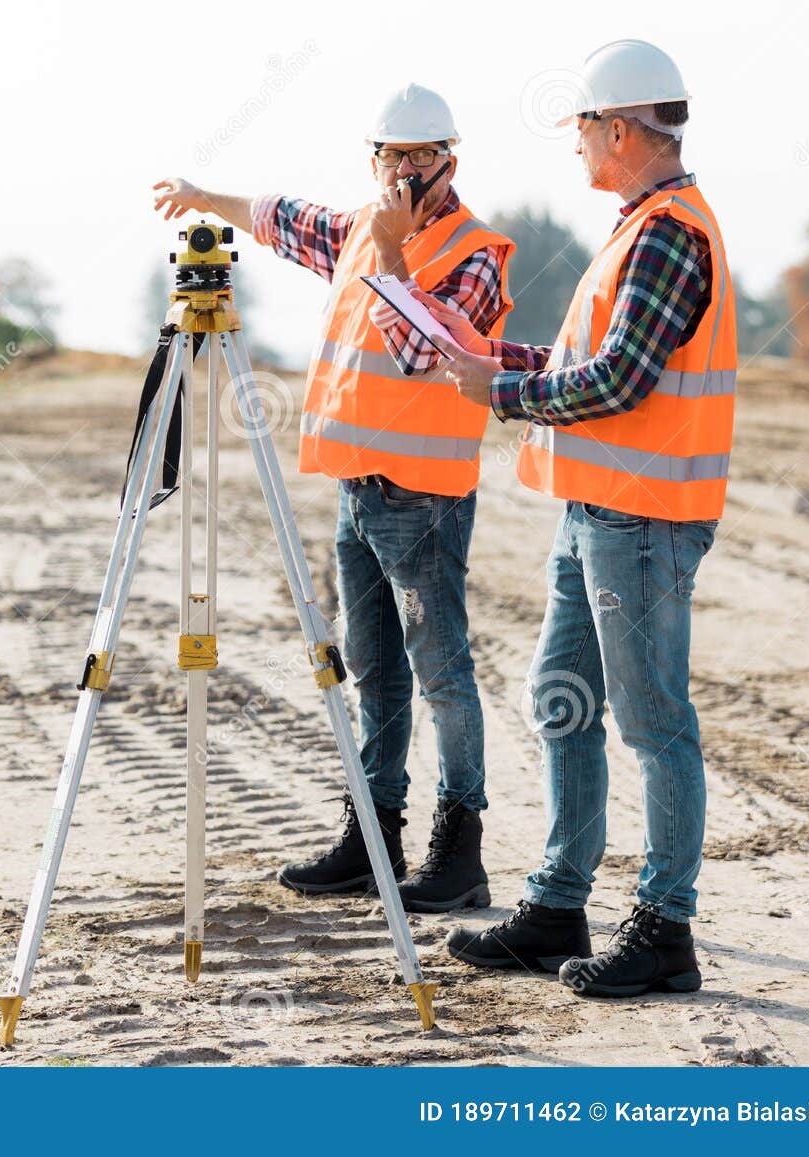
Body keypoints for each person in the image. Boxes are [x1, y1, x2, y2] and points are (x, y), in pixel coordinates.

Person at [152, 84, 515, 912]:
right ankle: (370, 835)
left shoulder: (477, 252)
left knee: (442, 671)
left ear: (448, 161)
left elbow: (424, 351)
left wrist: (391, 250)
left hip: (424, 500)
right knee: (372, 672)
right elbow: (282, 216)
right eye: (394, 156)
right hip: (360, 493)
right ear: (376, 158)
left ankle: (460, 850)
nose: (407, 171)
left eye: (422, 157)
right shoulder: (357, 231)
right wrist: (203, 197)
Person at [429, 40, 735, 996]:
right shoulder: (638, 225)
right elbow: (585, 355)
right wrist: (491, 357)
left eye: (582, 133)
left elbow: (621, 378)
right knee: (561, 699)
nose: (575, 151)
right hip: (597, 512)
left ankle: (664, 929)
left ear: (617, 128)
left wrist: (507, 391)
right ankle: (560, 899)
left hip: (642, 518)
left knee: (652, 723)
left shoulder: (668, 233)